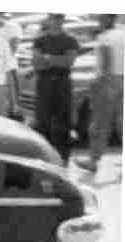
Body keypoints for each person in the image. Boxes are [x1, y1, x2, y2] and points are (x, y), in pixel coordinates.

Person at [75, 14, 124, 172]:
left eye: (101, 18)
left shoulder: (105, 37)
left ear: (109, 19)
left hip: (108, 80)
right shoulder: (122, 33)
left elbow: (106, 61)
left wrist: (101, 82)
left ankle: (93, 161)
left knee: (100, 123)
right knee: (121, 122)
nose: (99, 21)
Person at [32, 13, 80, 163]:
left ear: (63, 20)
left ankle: (63, 158)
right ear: (49, 19)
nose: (56, 20)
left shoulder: (70, 40)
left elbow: (69, 62)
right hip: (44, 82)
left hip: (62, 82)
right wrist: (57, 59)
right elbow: (36, 63)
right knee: (42, 121)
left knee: (63, 121)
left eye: (59, 17)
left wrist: (47, 58)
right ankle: (44, 157)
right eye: (53, 17)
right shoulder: (40, 40)